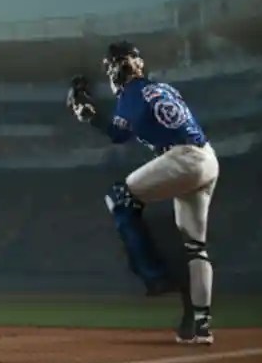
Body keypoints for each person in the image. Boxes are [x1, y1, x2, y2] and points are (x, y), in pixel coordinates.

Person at [67, 41, 218, 344]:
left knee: (119, 197)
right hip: (207, 160)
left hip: (182, 158)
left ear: (118, 67)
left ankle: (155, 274)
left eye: (111, 66)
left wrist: (88, 114)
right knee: (195, 247)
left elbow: (118, 134)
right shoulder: (162, 88)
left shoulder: (131, 92)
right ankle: (200, 323)